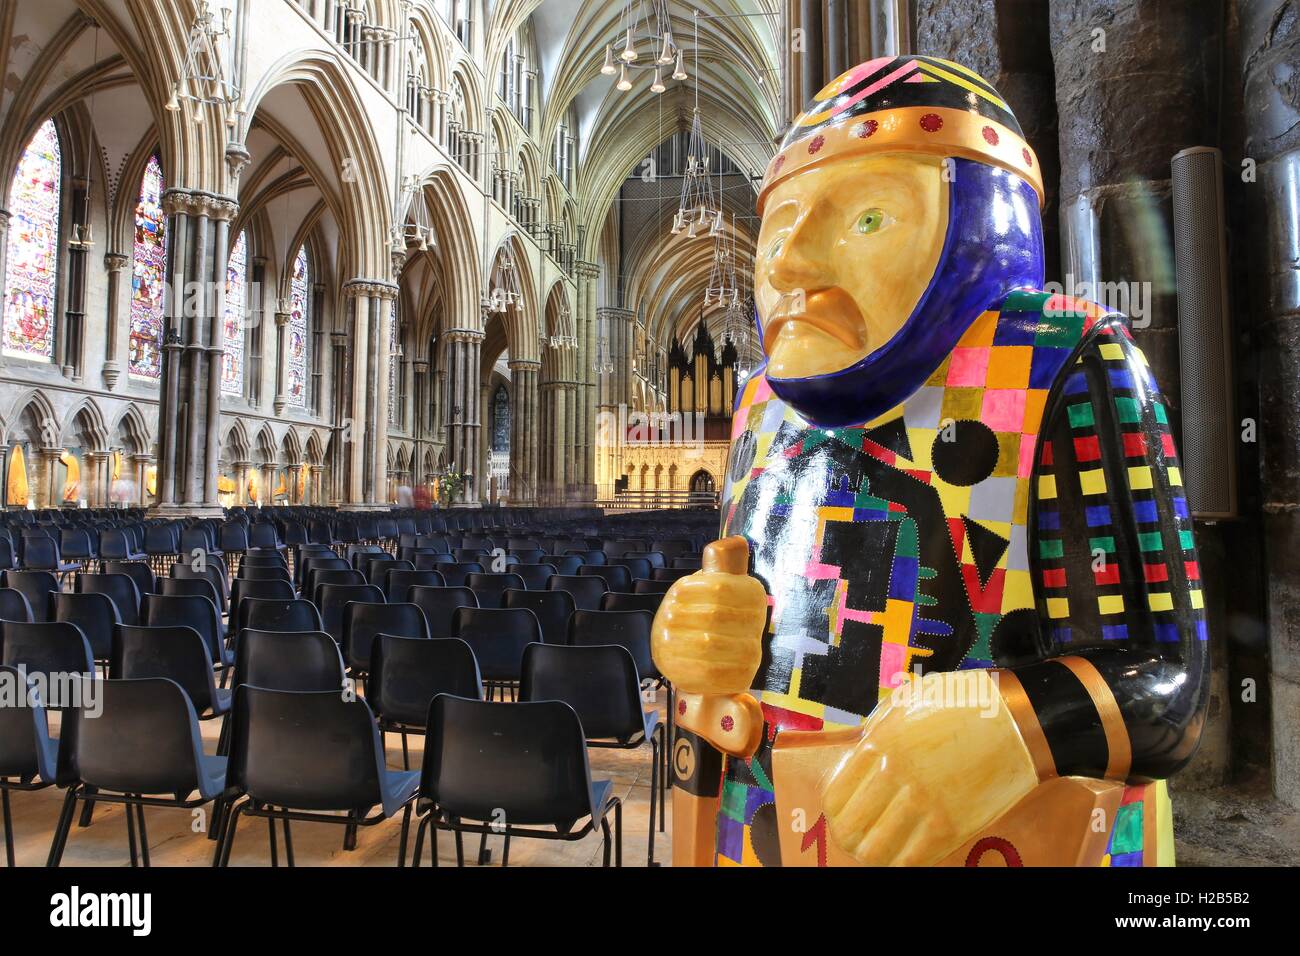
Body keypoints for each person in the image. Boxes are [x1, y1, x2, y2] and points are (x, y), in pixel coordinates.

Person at [652, 55, 1208, 868]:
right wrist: (697, 629)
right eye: (778, 229)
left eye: (868, 218)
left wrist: (1018, 725)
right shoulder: (762, 403)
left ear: (981, 222)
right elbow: (748, 606)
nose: (787, 267)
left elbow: (1168, 685)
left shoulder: (1063, 361)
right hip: (768, 831)